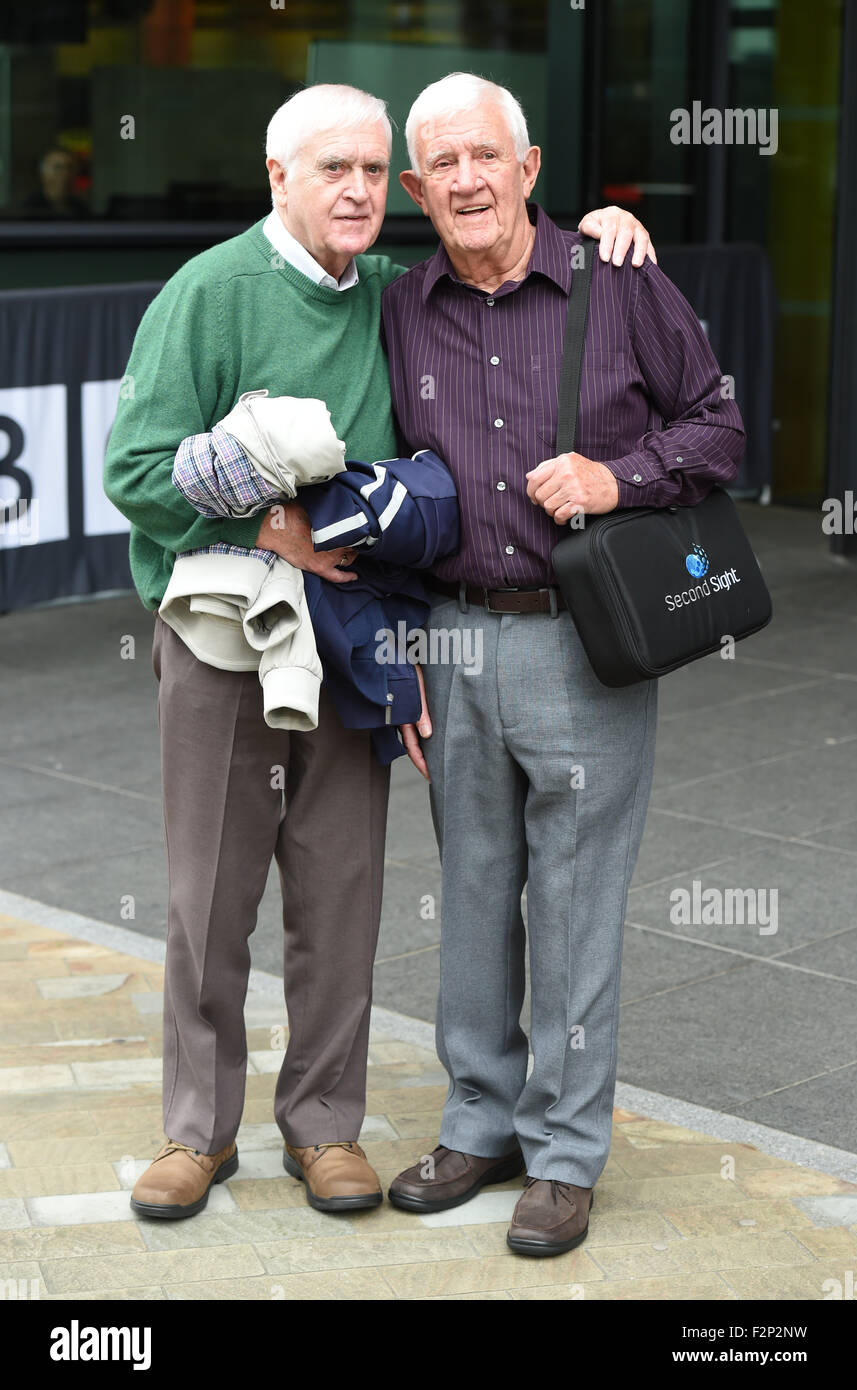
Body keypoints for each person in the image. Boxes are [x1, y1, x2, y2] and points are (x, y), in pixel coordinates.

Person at [103, 80, 655, 1221]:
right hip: (220, 640)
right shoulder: (209, 293)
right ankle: (196, 1132)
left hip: (354, 640)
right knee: (209, 899)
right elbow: (134, 471)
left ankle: (322, 1129)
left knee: (343, 892)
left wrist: (603, 232)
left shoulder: (400, 297)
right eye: (331, 170)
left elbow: (511, 263)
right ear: (277, 179)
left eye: (369, 172)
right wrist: (273, 526)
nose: (356, 191)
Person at [382, 72, 745, 1256]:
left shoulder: (616, 274)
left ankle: (564, 1152)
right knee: (474, 896)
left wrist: (615, 479)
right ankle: (478, 1121)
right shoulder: (403, 305)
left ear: (529, 168)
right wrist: (403, 662)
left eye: (484, 156)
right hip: (453, 633)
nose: (467, 180)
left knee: (577, 906)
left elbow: (717, 424)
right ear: (415, 188)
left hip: (583, 642)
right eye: (441, 164)